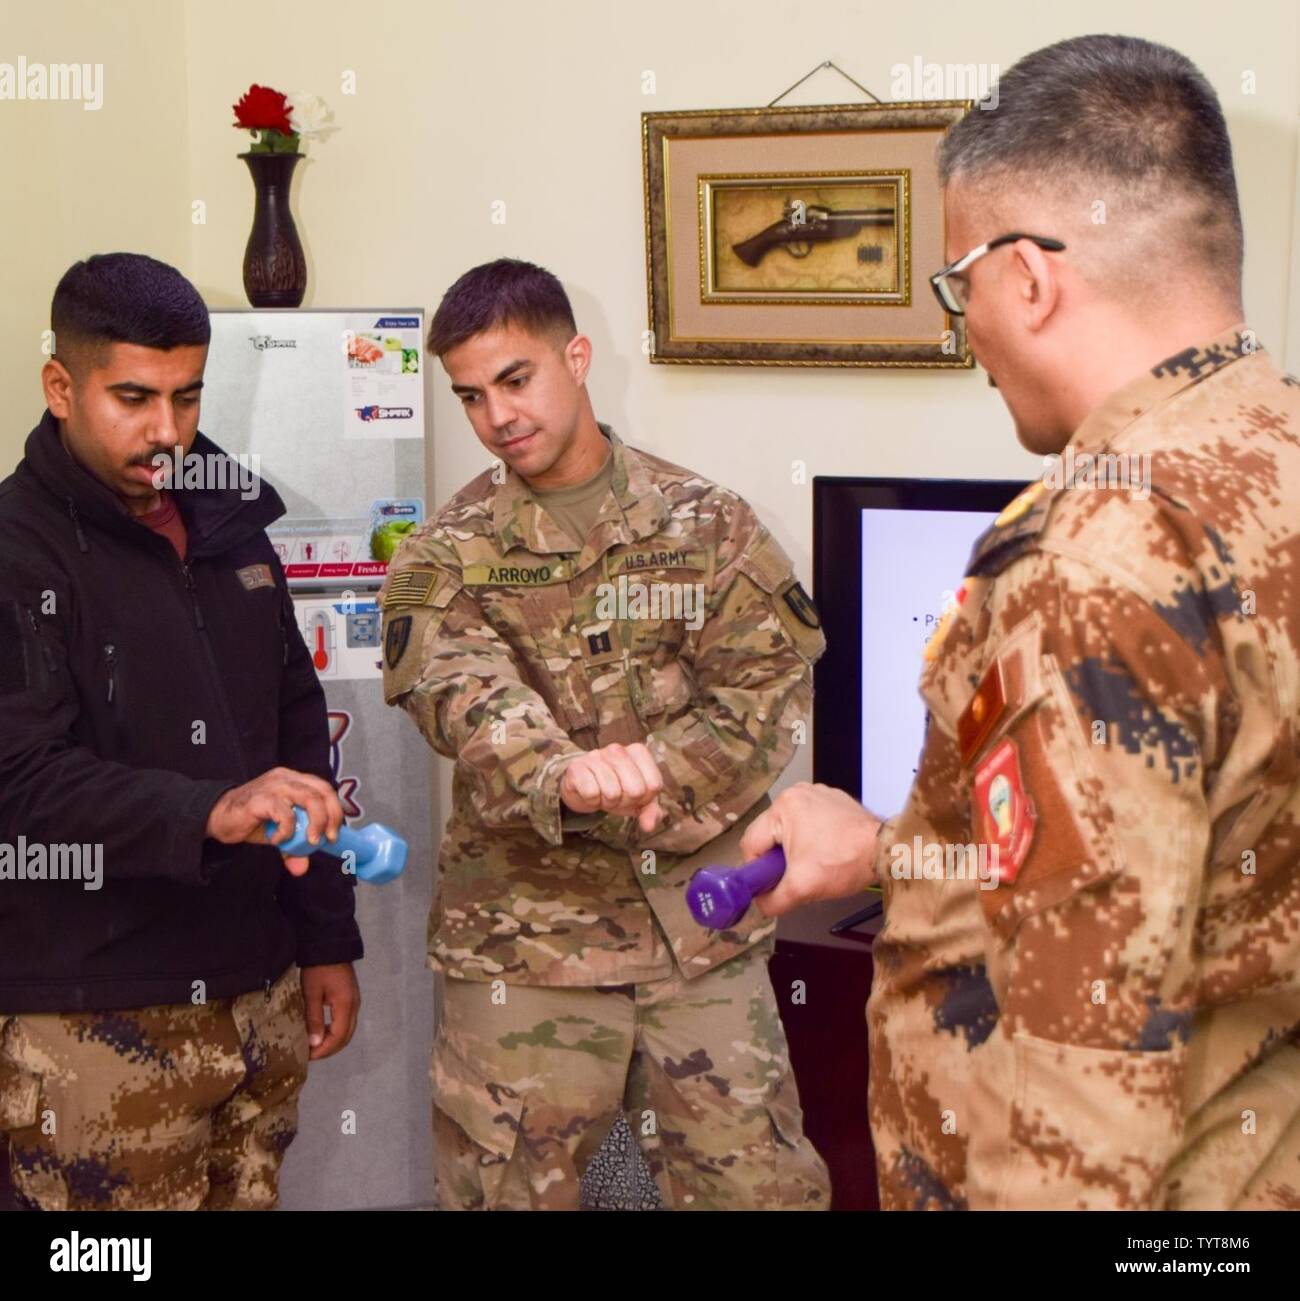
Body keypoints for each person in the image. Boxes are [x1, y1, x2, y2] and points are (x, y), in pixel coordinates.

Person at [742, 34, 1300, 1210]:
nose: (964, 332)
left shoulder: (1095, 559)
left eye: (957, 287)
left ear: (1029, 278)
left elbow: (1085, 1110)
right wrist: (894, 851)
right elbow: (1186, 860)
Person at [381, 258, 829, 1210]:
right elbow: (459, 693)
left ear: (576, 358)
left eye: (516, 379)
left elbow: (768, 688)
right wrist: (566, 774)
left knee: (762, 1195)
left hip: (697, 940)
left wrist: (656, 775)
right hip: (525, 952)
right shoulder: (444, 553)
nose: (498, 415)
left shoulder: (707, 525)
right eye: (470, 396)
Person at [0, 253, 363, 1210]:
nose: (166, 432)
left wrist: (325, 936)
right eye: (133, 398)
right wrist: (212, 808)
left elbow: (296, 736)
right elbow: (20, 784)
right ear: (60, 387)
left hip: (258, 988)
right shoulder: (14, 551)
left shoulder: (229, 522)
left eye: (187, 397)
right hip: (93, 1018)